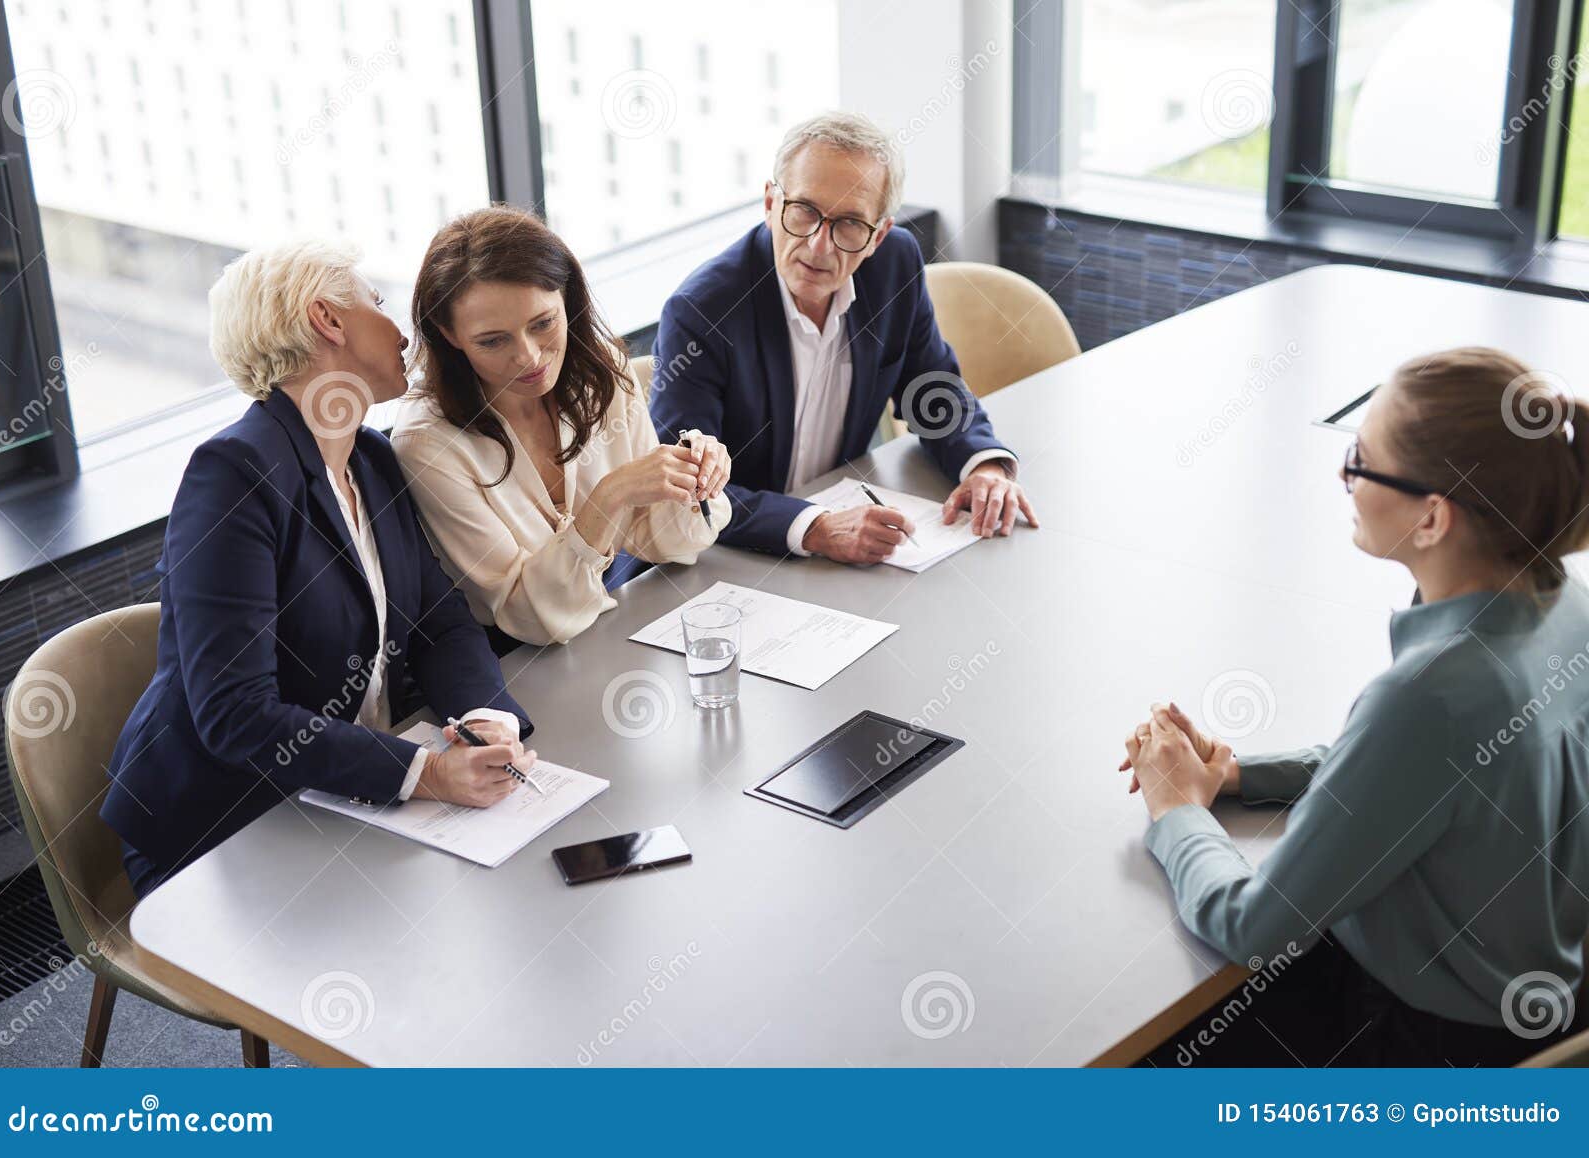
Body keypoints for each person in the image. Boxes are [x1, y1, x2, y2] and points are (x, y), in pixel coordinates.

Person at [1121, 347, 1589, 1066]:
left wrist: (1174, 805)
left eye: (1360, 463)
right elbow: (1423, 777)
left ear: (1433, 519)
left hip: (1420, 1047)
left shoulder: (1432, 694)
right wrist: (1241, 774)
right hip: (1536, 1017)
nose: (1344, 479)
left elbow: (1252, 927)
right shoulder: (1563, 606)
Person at [100, 241, 535, 897]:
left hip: (347, 793)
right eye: (379, 305)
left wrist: (487, 719)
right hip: (231, 826)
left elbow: (441, 622)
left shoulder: (372, 459)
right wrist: (429, 773)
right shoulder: (234, 474)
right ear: (328, 320)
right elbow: (236, 716)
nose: (402, 331)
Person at [649, 111, 1037, 563]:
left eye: (849, 223)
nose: (819, 246)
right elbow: (686, 490)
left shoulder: (893, 265)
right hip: (730, 556)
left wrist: (984, 464)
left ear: (879, 235)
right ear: (771, 203)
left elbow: (930, 388)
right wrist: (815, 528)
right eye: (804, 212)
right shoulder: (702, 312)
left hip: (843, 555)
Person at [392, 207, 731, 647]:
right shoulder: (426, 443)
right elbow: (529, 617)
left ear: (567, 299)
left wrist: (692, 481)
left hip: (607, 633)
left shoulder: (602, 375)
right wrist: (611, 495)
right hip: (511, 663)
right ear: (448, 332)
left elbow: (664, 542)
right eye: (493, 341)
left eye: (543, 323)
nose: (530, 358)